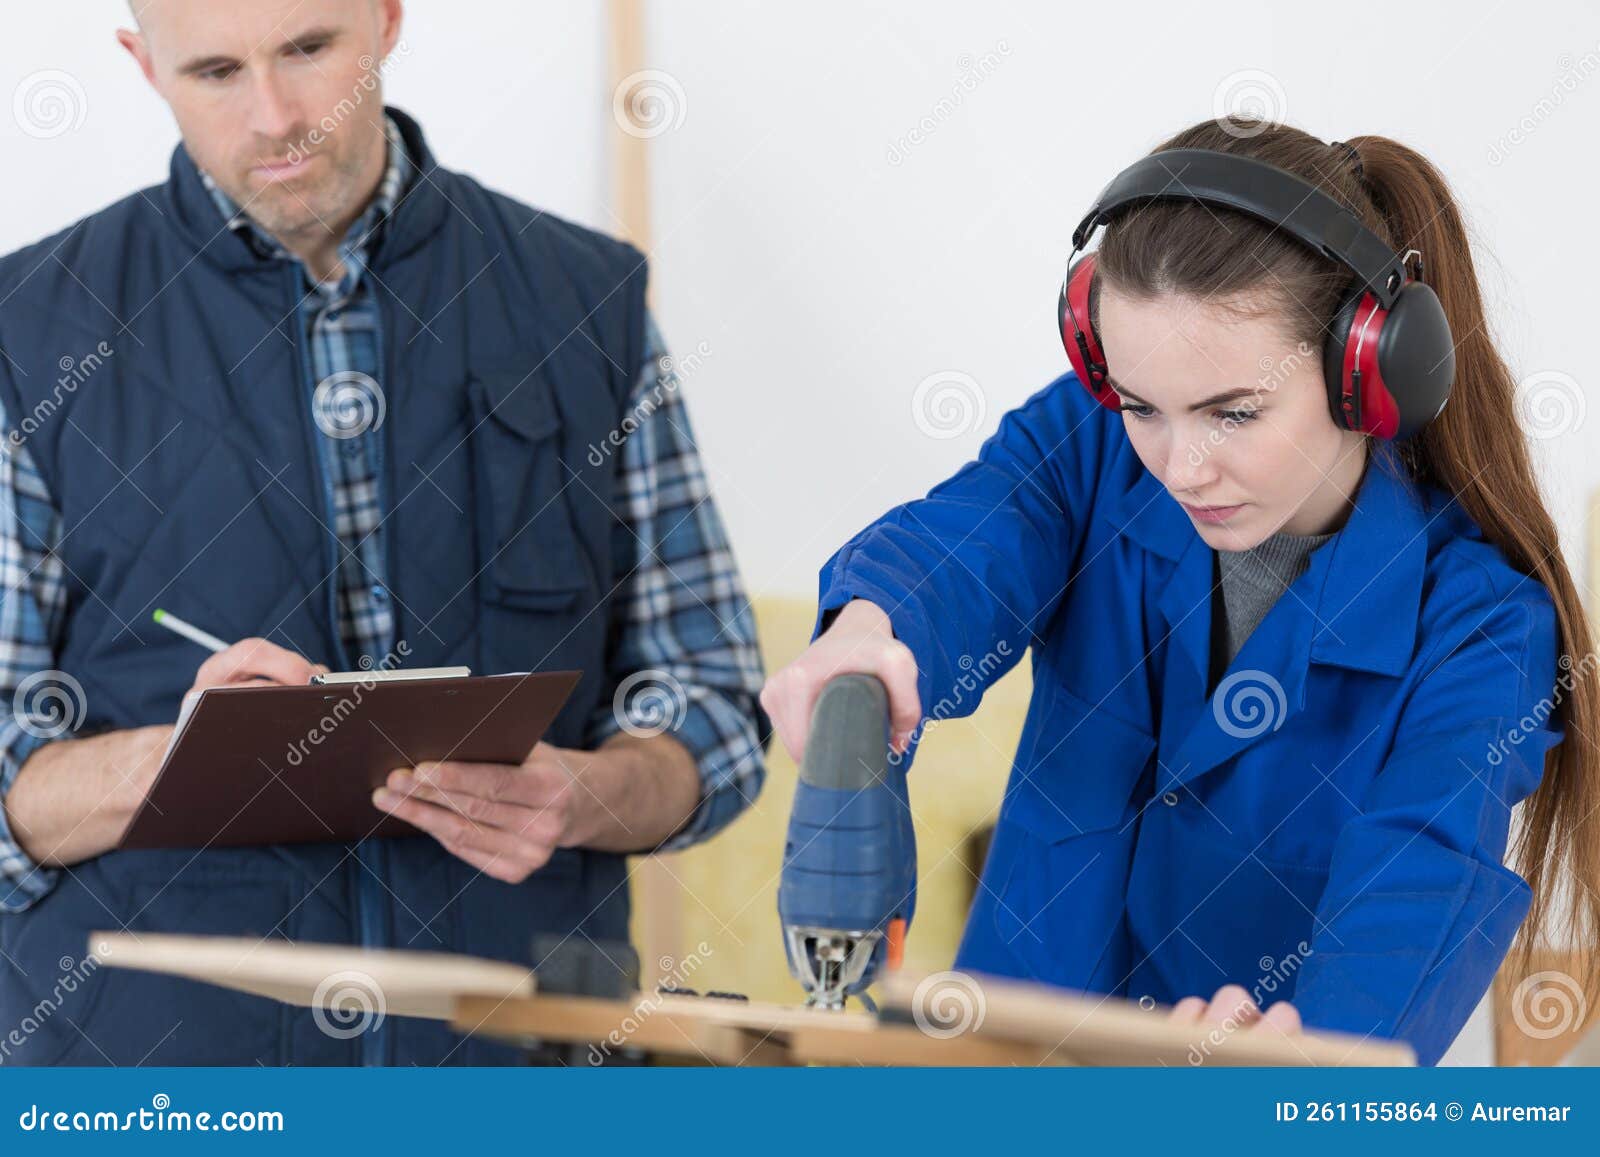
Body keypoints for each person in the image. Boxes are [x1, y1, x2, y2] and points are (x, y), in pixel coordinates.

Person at [0, 0, 767, 1065]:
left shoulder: (586, 300)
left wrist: (589, 794)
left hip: (524, 1066)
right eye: (216, 71)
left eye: (310, 50)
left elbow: (715, 704)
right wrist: (175, 764)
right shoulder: (28, 331)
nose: (275, 116)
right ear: (143, 66)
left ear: (386, 20)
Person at [762, 118, 1599, 1066]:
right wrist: (869, 633)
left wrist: (1283, 1080)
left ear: (1366, 373)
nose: (1181, 466)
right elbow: (963, 546)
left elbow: (1405, 912)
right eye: (1141, 406)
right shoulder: (1090, 449)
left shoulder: (1478, 634)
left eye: (1233, 413)